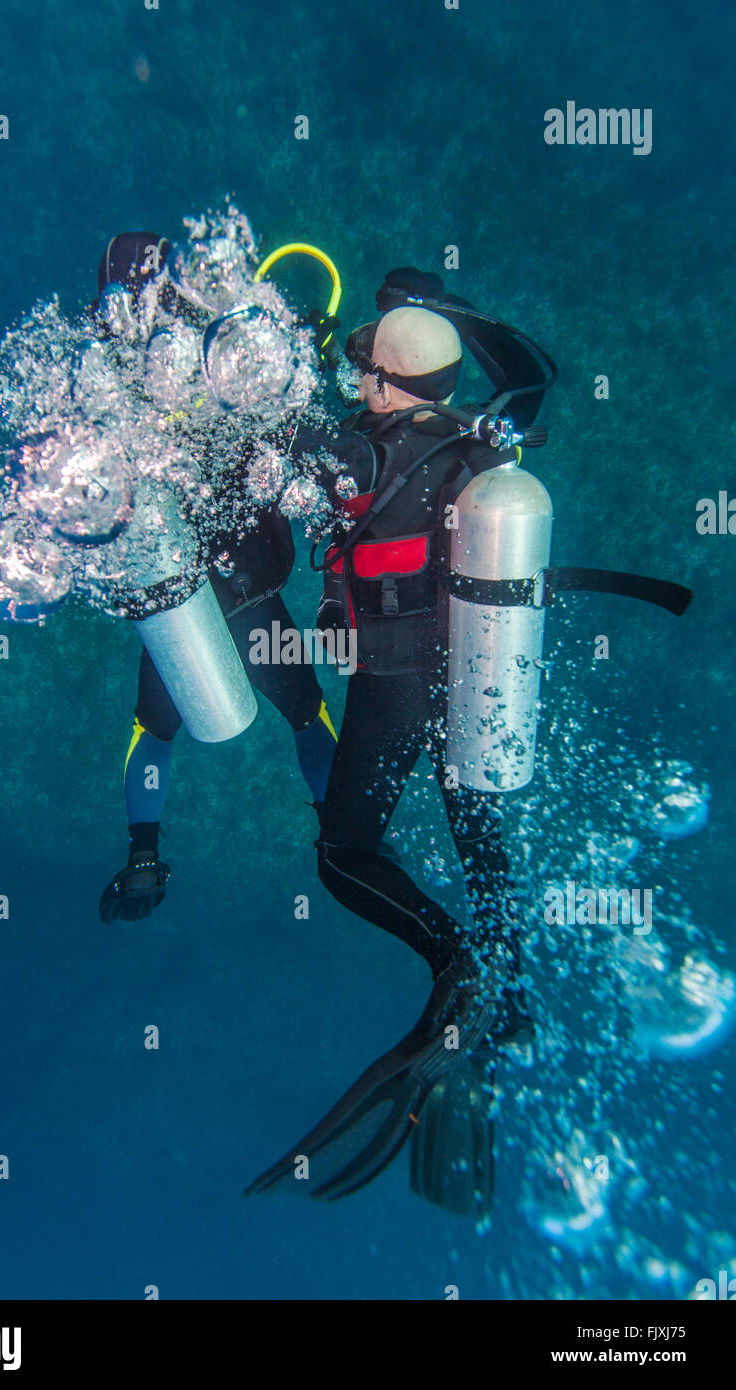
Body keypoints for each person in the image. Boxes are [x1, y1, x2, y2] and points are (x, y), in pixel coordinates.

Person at [248, 269, 553, 1204]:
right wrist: (447, 312)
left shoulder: (358, 454)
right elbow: (536, 370)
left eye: (368, 371)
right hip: (474, 665)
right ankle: (511, 990)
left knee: (343, 855)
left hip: (395, 682)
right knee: (477, 834)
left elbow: (278, 440)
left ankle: (455, 962)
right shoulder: (488, 432)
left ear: (384, 384)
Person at [94, 232, 338, 923]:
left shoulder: (106, 368)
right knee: (305, 710)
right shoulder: (223, 342)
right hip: (250, 582)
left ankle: (144, 853)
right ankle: (339, 831)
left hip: (174, 588)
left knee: (156, 726)